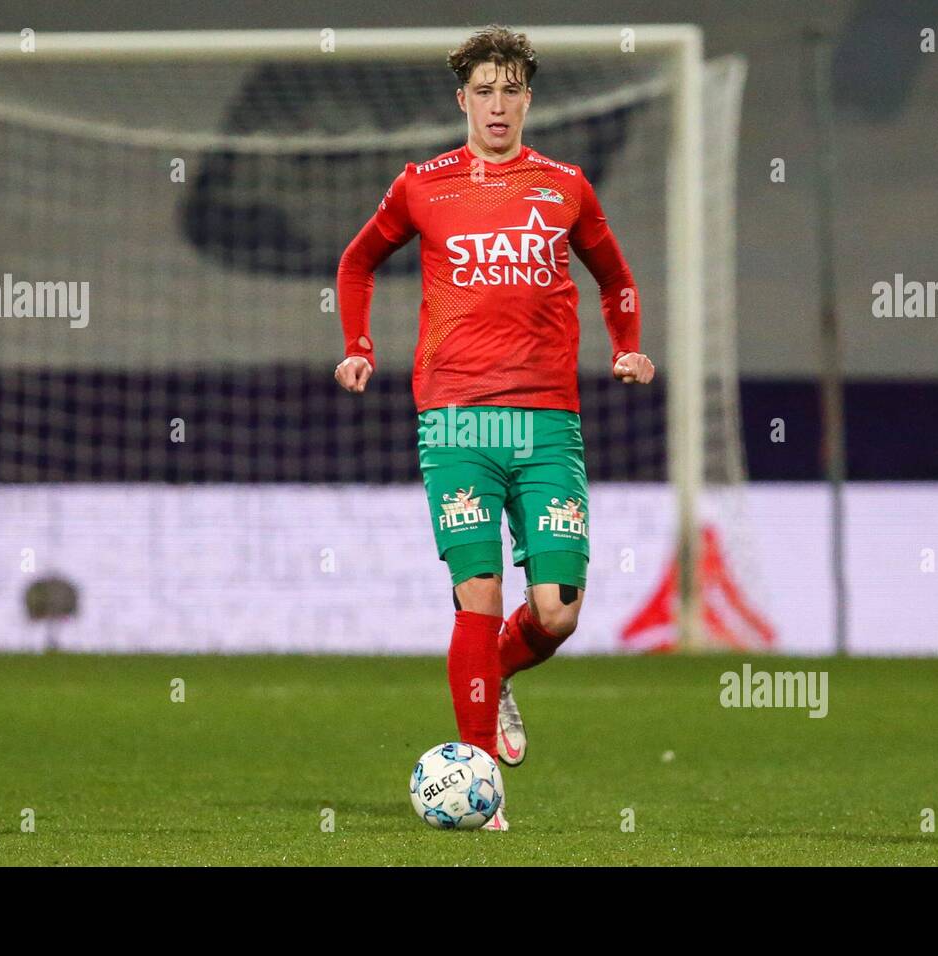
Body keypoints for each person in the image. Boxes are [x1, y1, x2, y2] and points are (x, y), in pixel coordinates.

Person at [335, 24, 654, 830]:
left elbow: (614, 276)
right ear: (463, 100)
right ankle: (482, 782)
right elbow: (357, 261)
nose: (498, 105)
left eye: (511, 90)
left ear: (528, 99)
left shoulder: (566, 186)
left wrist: (626, 346)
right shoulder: (422, 185)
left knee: (557, 611)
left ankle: (499, 672)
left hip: (548, 424)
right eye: (485, 91)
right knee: (478, 594)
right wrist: (359, 345)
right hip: (455, 422)